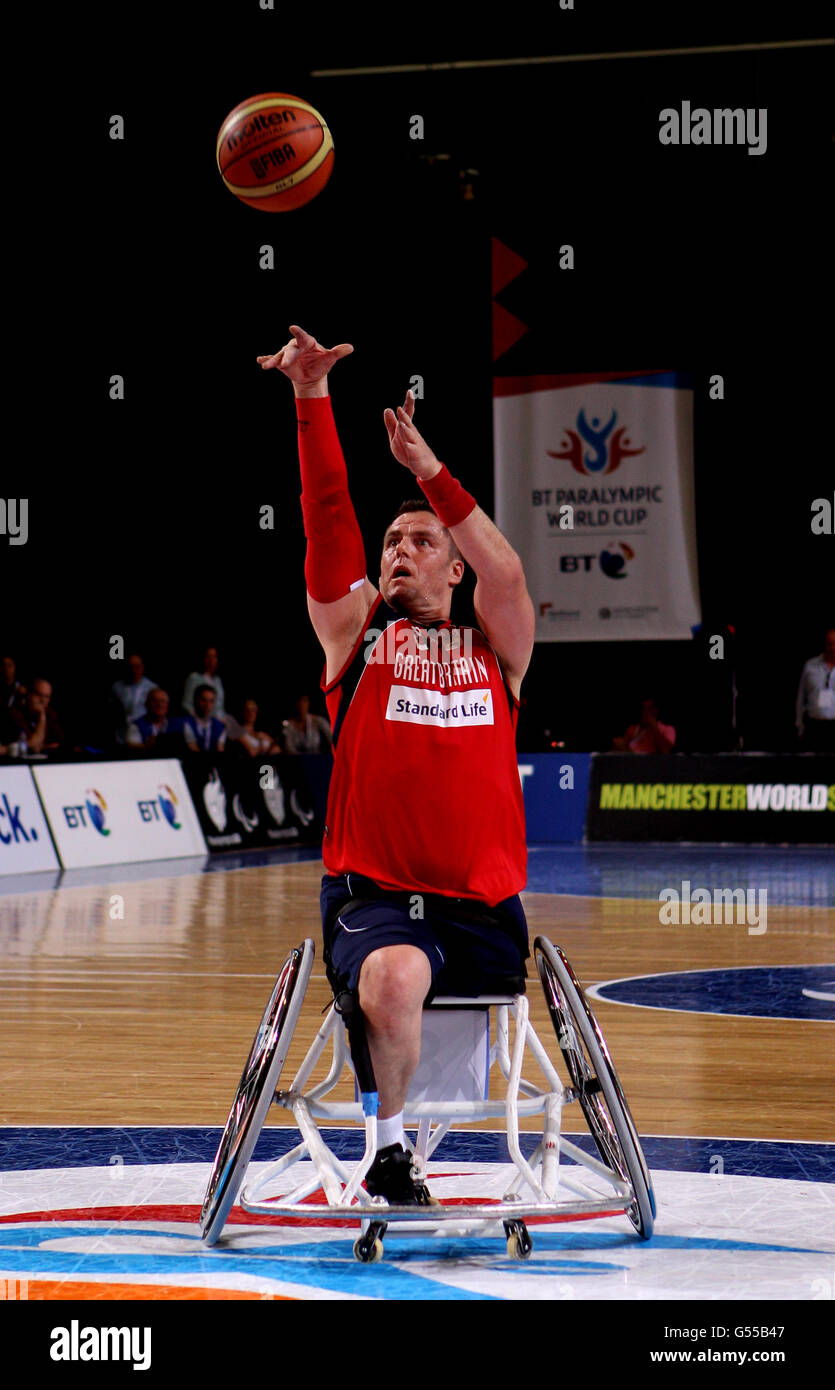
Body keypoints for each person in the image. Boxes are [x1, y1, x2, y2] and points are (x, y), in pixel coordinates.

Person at [257, 324, 535, 1205]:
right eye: (391, 544)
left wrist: (428, 473)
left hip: (484, 908)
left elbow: (509, 568)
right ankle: (388, 1154)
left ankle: (400, 1136)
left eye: (419, 541)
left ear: (453, 567)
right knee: (391, 975)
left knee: (417, 974)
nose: (398, 552)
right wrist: (310, 397)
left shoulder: (497, 646)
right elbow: (327, 516)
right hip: (376, 899)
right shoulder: (355, 635)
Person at [795, 628, 835, 753]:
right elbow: (801, 697)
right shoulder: (810, 665)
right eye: (829, 643)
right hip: (815, 726)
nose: (832, 647)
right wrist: (799, 725)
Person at [6, 678, 65, 755]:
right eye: (39, 695)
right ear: (28, 694)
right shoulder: (15, 714)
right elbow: (32, 747)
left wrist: (43, 747)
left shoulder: (50, 714)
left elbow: (59, 744)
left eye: (46, 696)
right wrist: (42, 717)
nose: (43, 700)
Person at [110, 652, 157, 744]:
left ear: (142, 667)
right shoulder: (117, 687)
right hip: (121, 733)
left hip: (143, 733)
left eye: (137, 667)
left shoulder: (152, 688)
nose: (134, 671)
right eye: (131, 667)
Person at [126, 688, 185, 755]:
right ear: (146, 704)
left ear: (167, 705)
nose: (159, 705)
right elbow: (131, 747)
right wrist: (146, 746)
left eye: (163, 701)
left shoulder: (179, 724)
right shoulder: (136, 725)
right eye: (155, 701)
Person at [612, 697, 676, 754]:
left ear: (655, 710)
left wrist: (653, 727)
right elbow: (623, 749)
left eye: (649, 708)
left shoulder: (667, 729)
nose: (645, 712)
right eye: (643, 709)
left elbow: (665, 752)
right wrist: (619, 745)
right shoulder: (633, 729)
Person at [182, 647, 226, 723]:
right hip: (202, 720)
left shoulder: (217, 680)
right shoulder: (194, 677)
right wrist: (198, 721)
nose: (211, 660)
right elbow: (187, 704)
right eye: (208, 656)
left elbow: (220, 706)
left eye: (214, 657)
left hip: (221, 719)